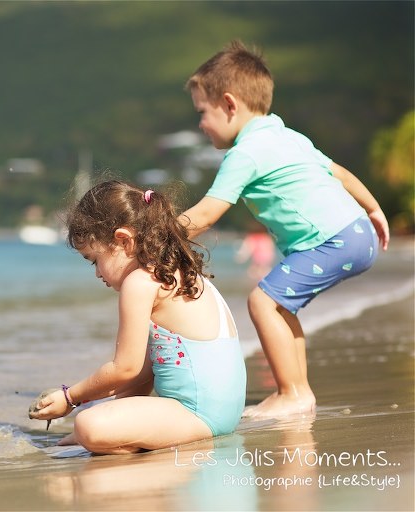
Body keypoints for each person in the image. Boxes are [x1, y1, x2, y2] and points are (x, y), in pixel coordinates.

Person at [181, 40, 390, 419]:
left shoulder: (243, 154)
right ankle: (299, 392)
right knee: (280, 305)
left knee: (262, 302)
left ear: (229, 104)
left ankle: (291, 393)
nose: (200, 124)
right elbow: (338, 172)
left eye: (203, 113)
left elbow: (209, 213)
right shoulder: (288, 136)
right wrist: (374, 209)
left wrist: (159, 236)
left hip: (333, 241)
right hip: (358, 232)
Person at [29, 180, 246, 454]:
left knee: (88, 424)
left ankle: (132, 445)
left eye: (94, 260)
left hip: (197, 415)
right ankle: (126, 438)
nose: (97, 273)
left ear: (123, 240)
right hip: (224, 412)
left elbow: (124, 369)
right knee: (95, 423)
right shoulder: (178, 271)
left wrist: (70, 397)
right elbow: (143, 371)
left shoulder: (140, 283)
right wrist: (116, 416)